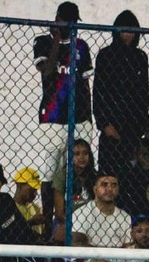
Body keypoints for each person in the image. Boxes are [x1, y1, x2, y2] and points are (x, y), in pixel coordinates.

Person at [33, 2, 93, 181]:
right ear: (58, 19)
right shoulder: (43, 42)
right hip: (53, 114)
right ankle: (50, 208)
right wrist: (57, 40)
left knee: (82, 166)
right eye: (68, 21)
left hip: (80, 113)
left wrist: (89, 115)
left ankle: (75, 204)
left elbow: (85, 81)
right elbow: (47, 71)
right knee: (52, 170)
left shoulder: (81, 45)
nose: (72, 25)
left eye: (74, 21)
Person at [93, 11, 149, 184]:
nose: (127, 35)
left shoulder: (140, 57)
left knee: (133, 176)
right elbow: (98, 91)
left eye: (131, 31)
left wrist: (144, 125)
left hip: (134, 126)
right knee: (109, 175)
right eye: (124, 31)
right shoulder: (105, 55)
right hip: (111, 124)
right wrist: (104, 124)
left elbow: (144, 93)